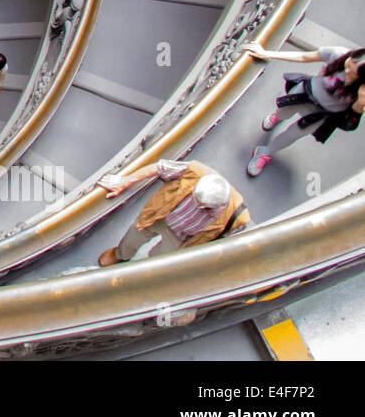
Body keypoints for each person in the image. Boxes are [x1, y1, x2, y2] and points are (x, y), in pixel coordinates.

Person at [241, 42, 365, 176]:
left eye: (353, 73)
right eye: (348, 65)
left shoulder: (361, 88)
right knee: (283, 113)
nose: (347, 72)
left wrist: (360, 102)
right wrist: (267, 53)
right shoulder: (338, 54)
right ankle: (276, 117)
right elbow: (304, 57)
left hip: (321, 114)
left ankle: (265, 152)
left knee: (292, 136)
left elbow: (351, 120)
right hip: (304, 94)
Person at [96, 160, 250, 266]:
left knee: (160, 259)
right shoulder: (196, 171)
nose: (196, 204)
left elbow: (225, 241)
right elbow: (159, 167)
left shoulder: (238, 216)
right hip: (159, 215)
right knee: (133, 236)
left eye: (202, 206)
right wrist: (126, 180)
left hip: (182, 239)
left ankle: (146, 269)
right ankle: (120, 255)